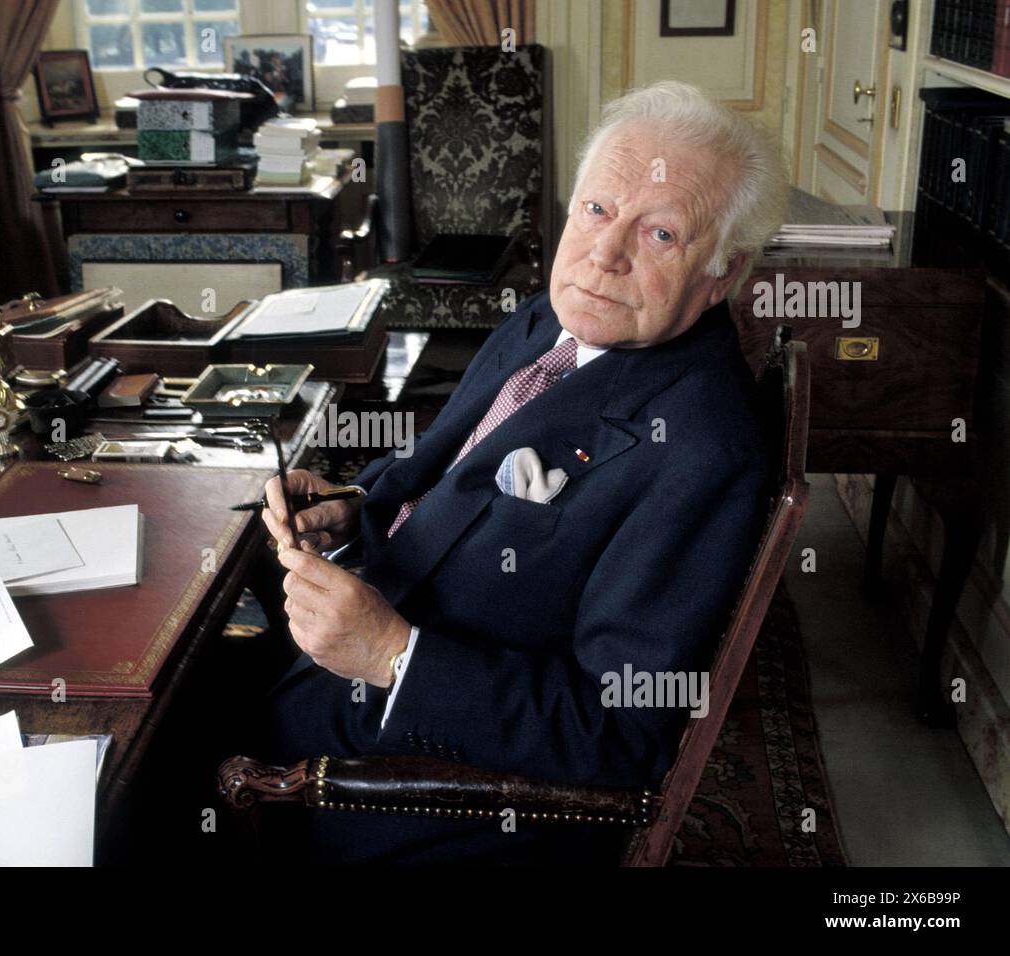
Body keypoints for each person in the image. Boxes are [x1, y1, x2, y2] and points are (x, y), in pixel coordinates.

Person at [254, 81, 788, 863]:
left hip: (420, 777)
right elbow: (450, 466)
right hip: (346, 642)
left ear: (722, 273)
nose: (604, 255)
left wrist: (395, 655)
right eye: (597, 209)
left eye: (661, 234)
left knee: (138, 777)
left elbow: (622, 734)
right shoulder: (554, 317)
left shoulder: (703, 452)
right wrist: (355, 503)